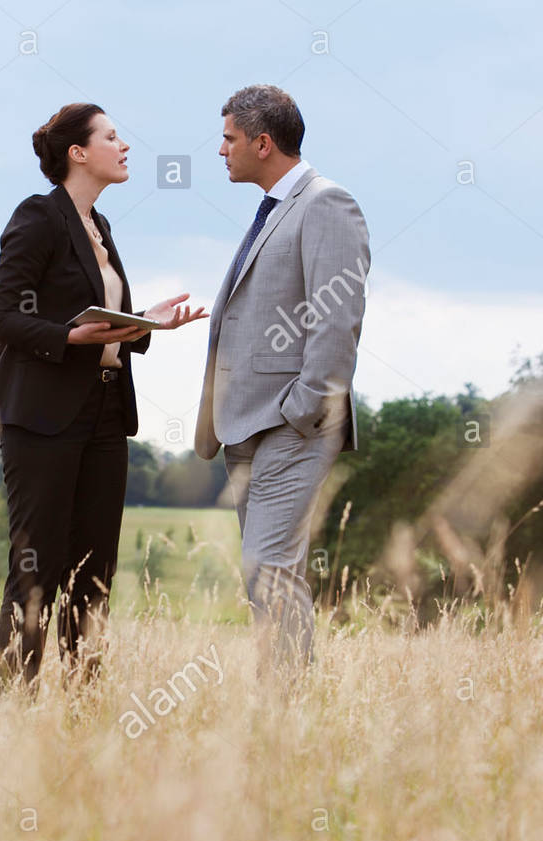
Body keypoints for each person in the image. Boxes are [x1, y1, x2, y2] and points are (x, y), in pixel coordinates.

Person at [0, 102, 205, 700]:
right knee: (37, 571)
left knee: (94, 577)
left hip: (106, 413)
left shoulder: (99, 225)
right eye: (111, 136)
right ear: (78, 153)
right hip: (43, 420)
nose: (124, 146)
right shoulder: (39, 217)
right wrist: (68, 336)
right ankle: (12, 714)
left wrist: (144, 323)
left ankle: (83, 713)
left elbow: (101, 323)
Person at [193, 84, 370, 680]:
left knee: (267, 566)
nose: (221, 150)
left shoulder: (326, 203)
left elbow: (337, 316)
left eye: (229, 138)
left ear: (262, 143)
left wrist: (301, 409)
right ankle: (287, 715)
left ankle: (285, 706)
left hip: (292, 425)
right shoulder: (273, 207)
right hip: (247, 426)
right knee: (270, 572)